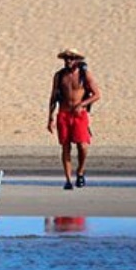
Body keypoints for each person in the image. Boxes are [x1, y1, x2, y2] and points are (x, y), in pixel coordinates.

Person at [48, 48, 102, 190]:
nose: (68, 61)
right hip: (64, 114)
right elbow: (53, 97)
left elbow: (96, 94)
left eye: (71, 58)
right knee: (65, 147)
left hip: (79, 115)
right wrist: (50, 118)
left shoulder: (85, 75)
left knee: (82, 145)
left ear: (77, 60)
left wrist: (82, 104)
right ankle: (67, 179)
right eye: (66, 59)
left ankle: (80, 171)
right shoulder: (59, 76)